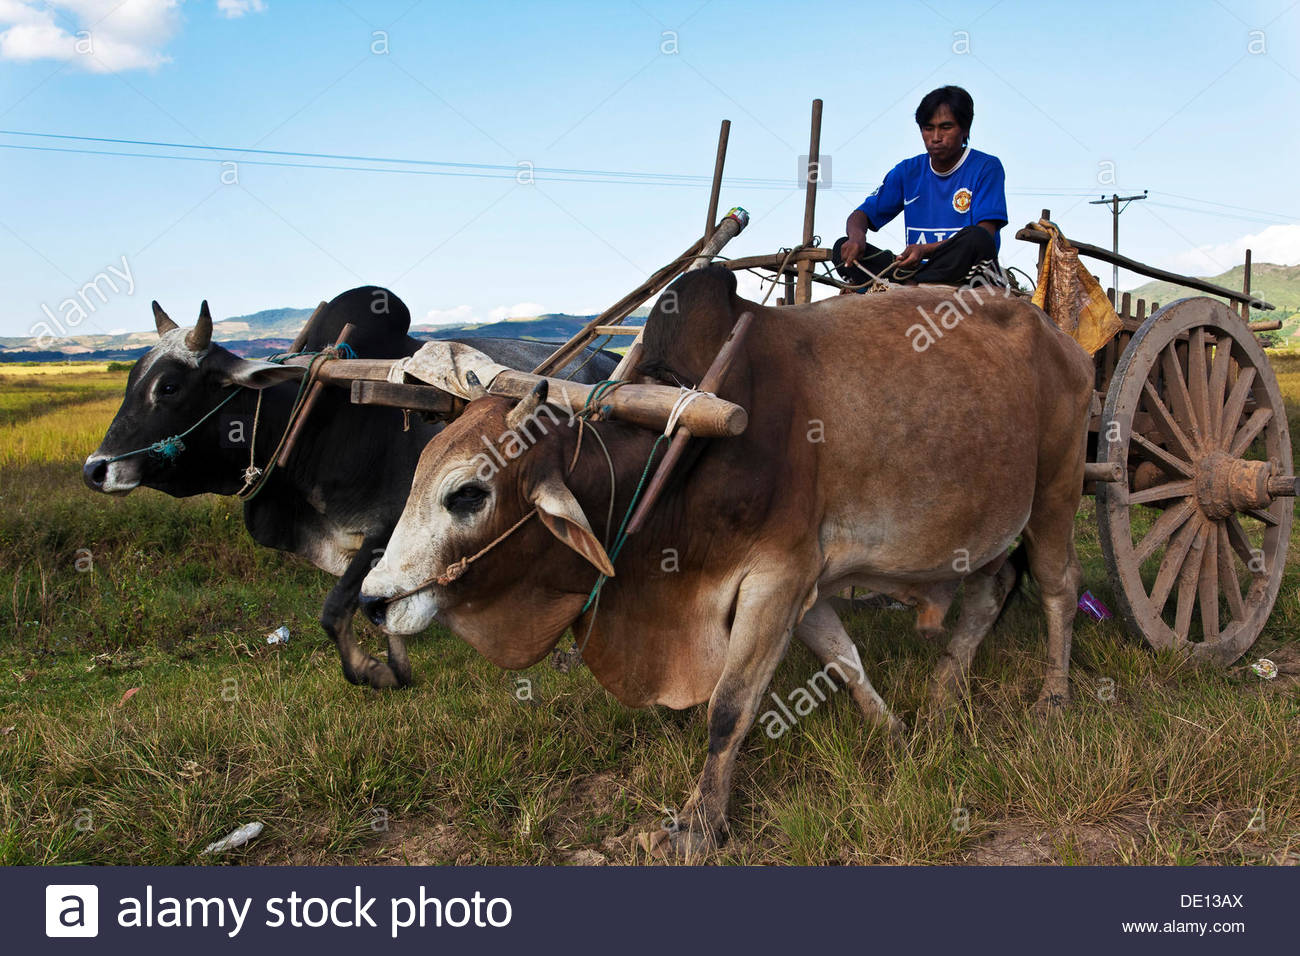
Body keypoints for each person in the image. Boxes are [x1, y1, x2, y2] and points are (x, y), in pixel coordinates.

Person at [833, 85, 1008, 288]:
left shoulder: (986, 167)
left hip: (962, 271)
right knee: (840, 248)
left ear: (965, 129)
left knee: (977, 239)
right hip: (916, 270)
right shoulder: (908, 171)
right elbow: (861, 215)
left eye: (946, 127)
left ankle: (909, 286)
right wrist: (856, 237)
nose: (935, 137)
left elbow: (986, 232)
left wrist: (924, 250)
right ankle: (910, 284)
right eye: (928, 128)